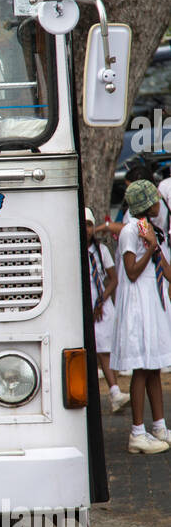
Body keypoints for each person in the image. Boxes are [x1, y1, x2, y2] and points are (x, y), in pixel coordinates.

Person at [110, 180, 171, 453]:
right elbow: (132, 271)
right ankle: (137, 432)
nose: (161, 204)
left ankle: (158, 425)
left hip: (153, 301)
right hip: (138, 303)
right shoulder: (129, 231)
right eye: (157, 200)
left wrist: (155, 246)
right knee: (141, 368)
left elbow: (167, 273)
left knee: (154, 366)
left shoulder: (152, 230)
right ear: (148, 204)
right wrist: (148, 247)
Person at [85, 208, 129, 413]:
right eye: (83, 224)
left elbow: (113, 279)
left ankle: (114, 392)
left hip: (101, 304)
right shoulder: (73, 252)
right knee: (96, 351)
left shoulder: (100, 250)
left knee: (105, 350)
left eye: (89, 225)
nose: (86, 229)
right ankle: (113, 392)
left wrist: (101, 300)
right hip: (86, 304)